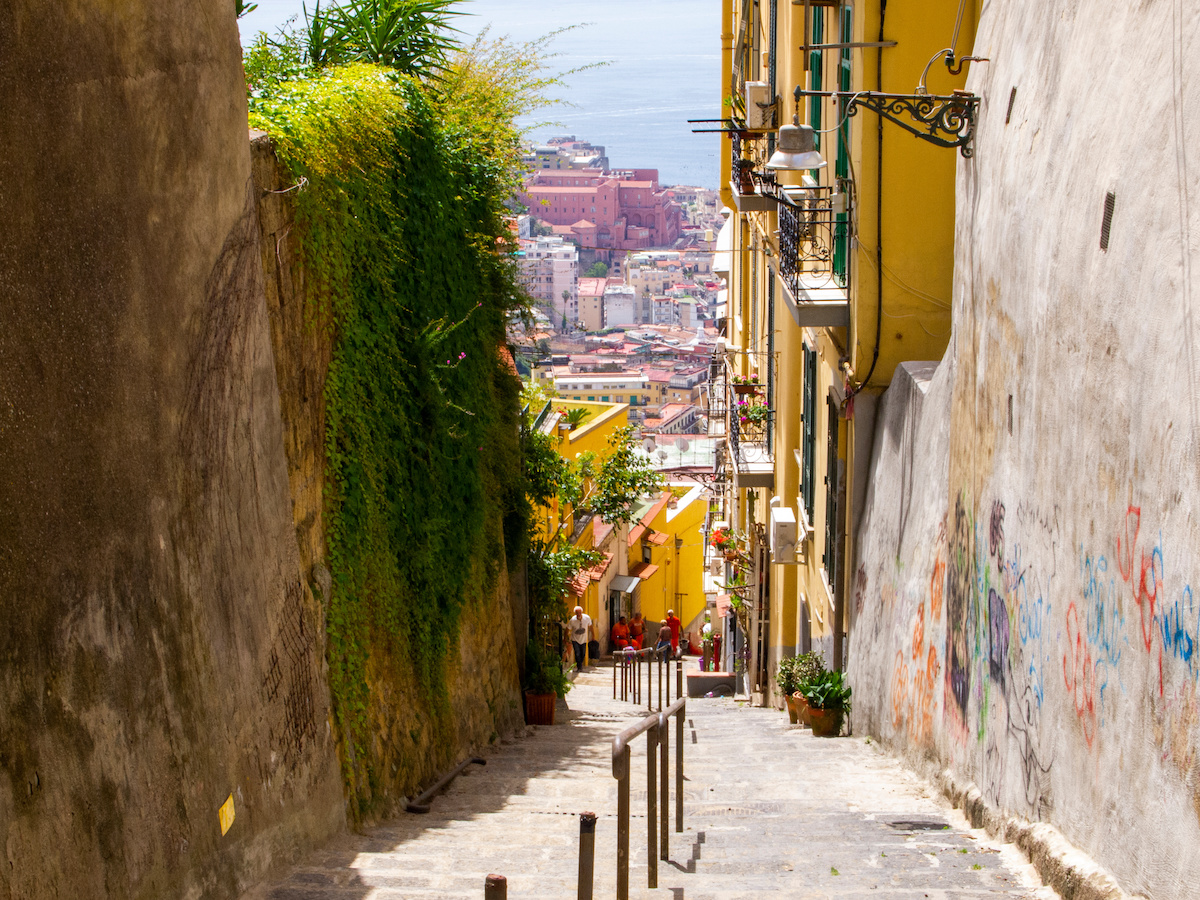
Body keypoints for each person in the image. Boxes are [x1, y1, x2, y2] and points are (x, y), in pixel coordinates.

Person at [567, 606, 593, 670]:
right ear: (575, 613)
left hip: (583, 639)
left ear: (581, 612)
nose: (578, 614)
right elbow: (567, 629)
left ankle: (580, 664)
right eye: (577, 612)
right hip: (575, 639)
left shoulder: (587, 618)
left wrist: (593, 635)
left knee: (583, 653)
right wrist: (566, 638)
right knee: (577, 653)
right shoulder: (572, 620)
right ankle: (579, 667)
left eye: (579, 612)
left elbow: (591, 627)